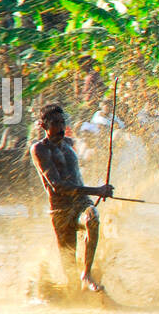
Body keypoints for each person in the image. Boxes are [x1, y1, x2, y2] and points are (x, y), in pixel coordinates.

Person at [30, 103, 115, 294]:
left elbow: (87, 153)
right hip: (60, 211)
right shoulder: (39, 150)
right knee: (69, 272)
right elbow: (58, 186)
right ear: (44, 126)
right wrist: (97, 190)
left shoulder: (69, 144)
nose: (60, 128)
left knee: (92, 217)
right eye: (54, 123)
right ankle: (72, 296)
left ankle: (87, 273)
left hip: (81, 203)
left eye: (62, 123)